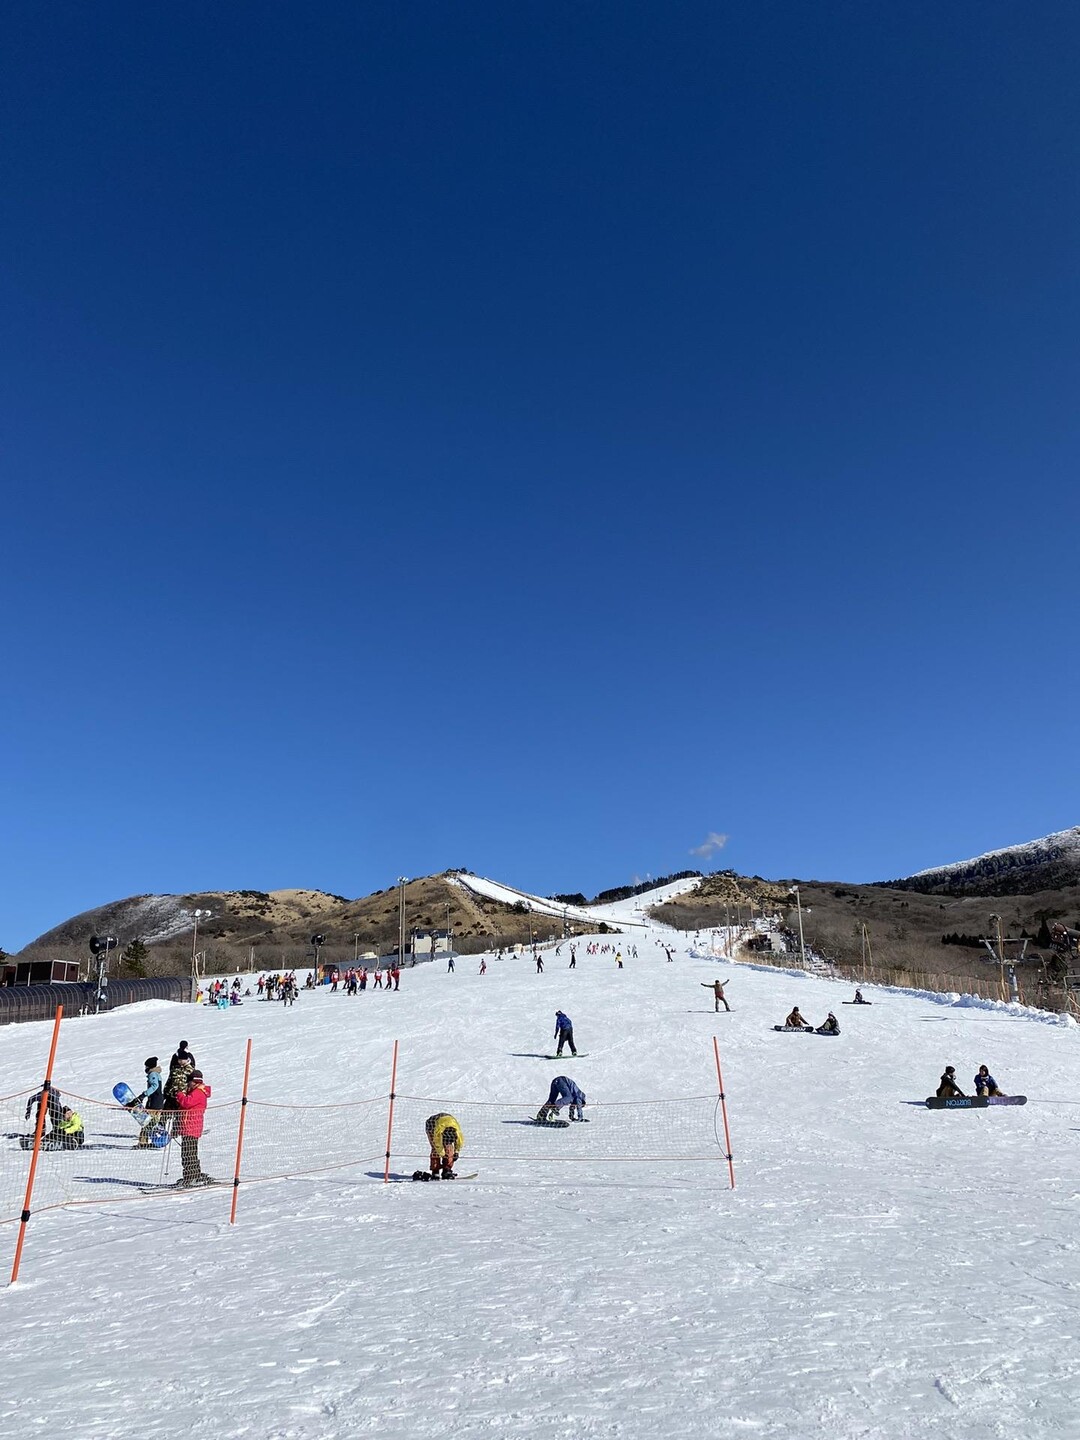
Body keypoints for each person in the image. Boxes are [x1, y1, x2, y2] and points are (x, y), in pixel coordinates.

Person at [174, 1068, 214, 1186]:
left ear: (195, 1081)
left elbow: (187, 1103)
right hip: (189, 1127)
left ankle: (191, 1176)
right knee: (189, 1152)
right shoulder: (194, 1091)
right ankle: (193, 1174)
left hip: (191, 1128)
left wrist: (180, 1094)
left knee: (188, 1153)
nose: (187, 1084)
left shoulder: (198, 1092)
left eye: (189, 1081)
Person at [132, 1056, 165, 1148]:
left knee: (147, 1122)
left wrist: (144, 1095)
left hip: (154, 1102)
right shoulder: (157, 1074)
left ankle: (143, 1142)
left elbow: (154, 1086)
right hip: (158, 1102)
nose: (145, 1069)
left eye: (146, 1067)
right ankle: (154, 1140)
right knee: (153, 1122)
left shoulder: (153, 1074)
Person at [424, 1113, 463, 1179]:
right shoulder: (438, 1133)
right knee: (435, 1150)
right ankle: (435, 1171)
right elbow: (438, 1146)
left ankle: (447, 1170)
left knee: (449, 1149)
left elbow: (459, 1143)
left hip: (447, 1121)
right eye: (446, 1141)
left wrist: (456, 1152)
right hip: (432, 1125)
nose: (447, 1143)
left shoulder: (457, 1133)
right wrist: (443, 1154)